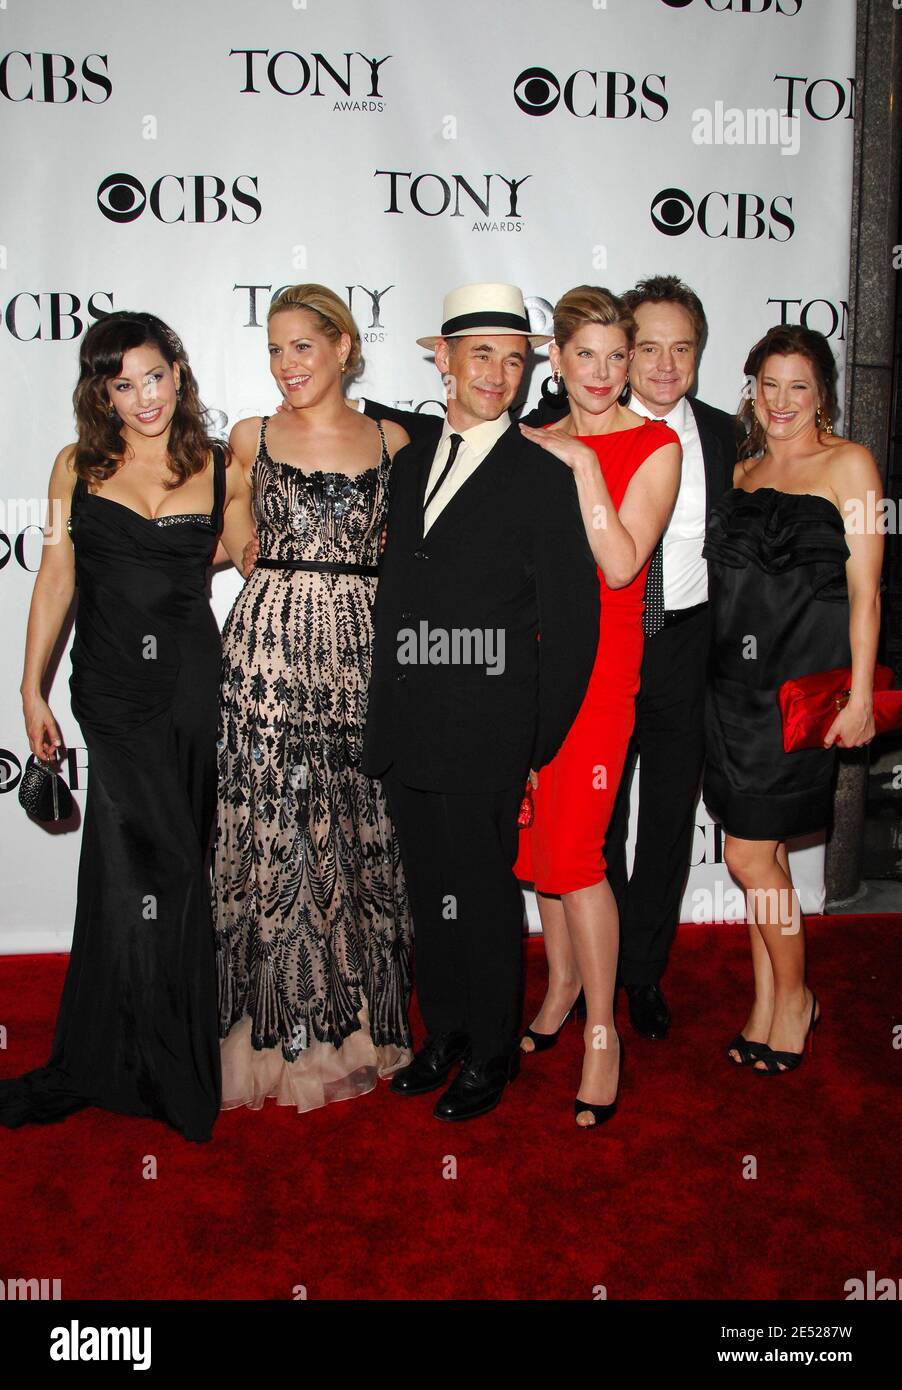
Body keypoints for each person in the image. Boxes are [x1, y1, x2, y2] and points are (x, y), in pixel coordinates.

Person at [2, 311, 254, 1143]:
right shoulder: (78, 465)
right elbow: (56, 575)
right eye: (123, 383)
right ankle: (121, 1059)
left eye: (155, 376)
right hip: (109, 694)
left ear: (179, 373)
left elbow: (253, 558)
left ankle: (161, 1060)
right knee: (130, 872)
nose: (143, 397)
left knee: (175, 870)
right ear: (102, 392)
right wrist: (30, 689)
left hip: (190, 690)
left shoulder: (223, 468)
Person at [362, 282, 599, 1122]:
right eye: (479, 354)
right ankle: (447, 1032)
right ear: (443, 359)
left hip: (488, 730)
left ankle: (493, 1053)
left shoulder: (542, 474)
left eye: (512, 355)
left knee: (486, 896)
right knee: (430, 892)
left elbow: (574, 619)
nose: (497, 372)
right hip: (408, 721)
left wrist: (536, 740)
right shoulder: (405, 460)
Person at [213, 284, 414, 1114]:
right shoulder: (251, 434)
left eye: (302, 346)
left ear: (342, 346)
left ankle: (359, 1020)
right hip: (267, 649)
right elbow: (231, 512)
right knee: (277, 829)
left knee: (357, 828)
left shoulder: (395, 437)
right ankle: (278, 1029)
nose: (286, 364)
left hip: (363, 654)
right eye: (273, 348)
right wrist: (242, 540)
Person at [514, 286, 681, 1127]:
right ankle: (562, 986)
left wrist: (581, 463)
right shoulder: (526, 440)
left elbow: (619, 565)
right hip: (532, 668)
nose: (607, 373)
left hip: (603, 672)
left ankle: (604, 1031)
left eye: (620, 357)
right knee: (537, 843)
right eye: (587, 355)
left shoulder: (654, 445)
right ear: (557, 357)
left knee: (578, 851)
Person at [703, 324, 882, 1073]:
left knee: (748, 859)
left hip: (802, 696)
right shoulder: (741, 473)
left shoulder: (852, 466)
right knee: (762, 853)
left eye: (797, 386)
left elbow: (868, 595)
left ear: (823, 395)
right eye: (767, 384)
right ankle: (765, 1004)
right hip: (731, 698)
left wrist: (863, 693)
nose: (780, 401)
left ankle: (798, 999)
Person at [602, 276, 740, 1041]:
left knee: (664, 823)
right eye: (647, 346)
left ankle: (644, 974)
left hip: (687, 645)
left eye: (679, 348)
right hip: (608, 649)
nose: (663, 363)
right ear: (624, 352)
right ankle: (607, 963)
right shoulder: (582, 428)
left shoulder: (722, 436)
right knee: (602, 819)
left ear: (697, 356)